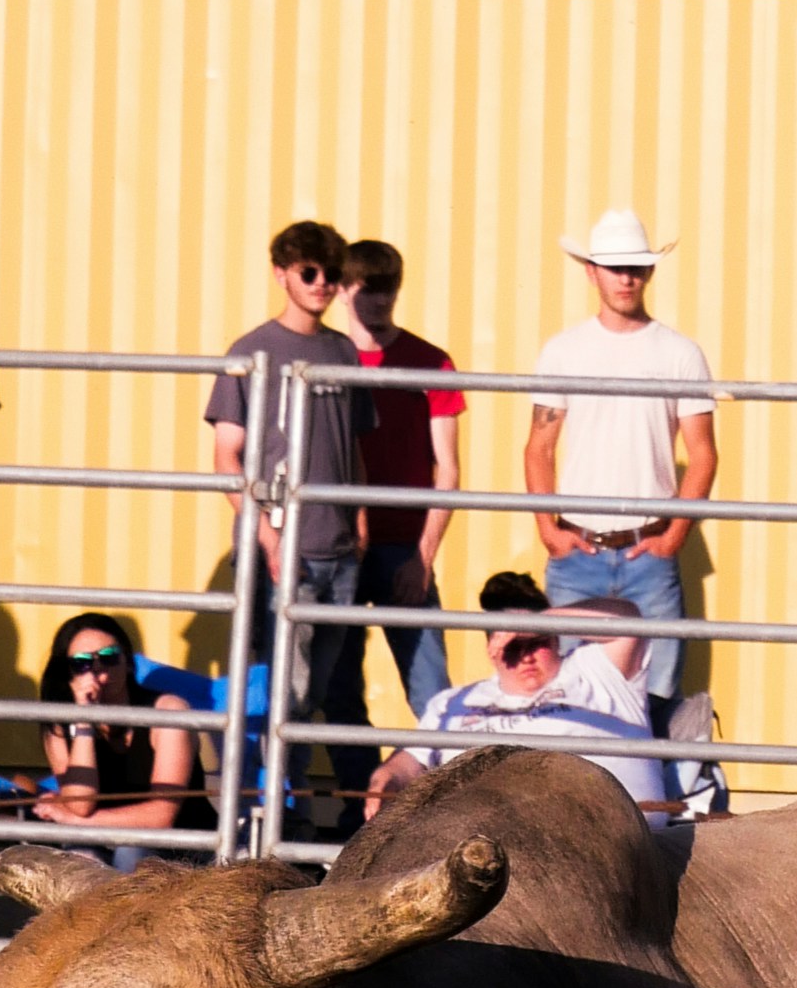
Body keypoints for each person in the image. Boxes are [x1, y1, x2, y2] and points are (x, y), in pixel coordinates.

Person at [205, 222, 374, 831]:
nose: (322, 283)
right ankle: (271, 822)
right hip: (283, 550)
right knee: (284, 692)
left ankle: (286, 817)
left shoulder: (345, 352)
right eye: (309, 271)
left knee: (314, 693)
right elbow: (227, 458)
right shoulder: (251, 349)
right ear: (281, 273)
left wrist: (360, 519)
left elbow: (354, 445)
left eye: (331, 274)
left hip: (339, 552)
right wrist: (269, 539)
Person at [525, 209, 716, 721]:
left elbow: (702, 453)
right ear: (592, 272)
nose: (626, 278)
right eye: (615, 267)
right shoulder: (564, 350)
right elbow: (539, 446)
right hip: (577, 549)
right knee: (565, 697)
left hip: (648, 553)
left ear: (650, 271)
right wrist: (550, 532)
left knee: (657, 700)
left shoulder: (680, 353)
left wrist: (673, 537)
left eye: (635, 267)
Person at [366, 568, 679, 822]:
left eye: (536, 641)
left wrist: (537, 621)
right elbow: (408, 763)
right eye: (513, 647)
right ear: (492, 650)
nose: (526, 656)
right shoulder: (453, 703)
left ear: (556, 639)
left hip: (602, 826)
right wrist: (387, 780)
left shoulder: (596, 670)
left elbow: (627, 621)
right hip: (487, 835)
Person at [341, 237, 465, 730]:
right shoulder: (327, 359)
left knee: (434, 696)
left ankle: (450, 780)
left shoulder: (430, 362)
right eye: (368, 288)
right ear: (343, 290)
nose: (380, 299)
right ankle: (359, 785)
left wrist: (423, 557)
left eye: (388, 288)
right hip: (341, 549)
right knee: (336, 694)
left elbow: (448, 469)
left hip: (405, 550)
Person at [30, 613, 200, 866]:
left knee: (130, 851)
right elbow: (81, 805)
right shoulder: (61, 724)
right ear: (68, 673)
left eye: (109, 657)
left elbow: (161, 816)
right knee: (78, 856)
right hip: (104, 837)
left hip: (180, 846)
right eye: (82, 663)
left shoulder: (167, 712)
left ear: (128, 662)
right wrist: (85, 720)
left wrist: (75, 821)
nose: (98, 670)